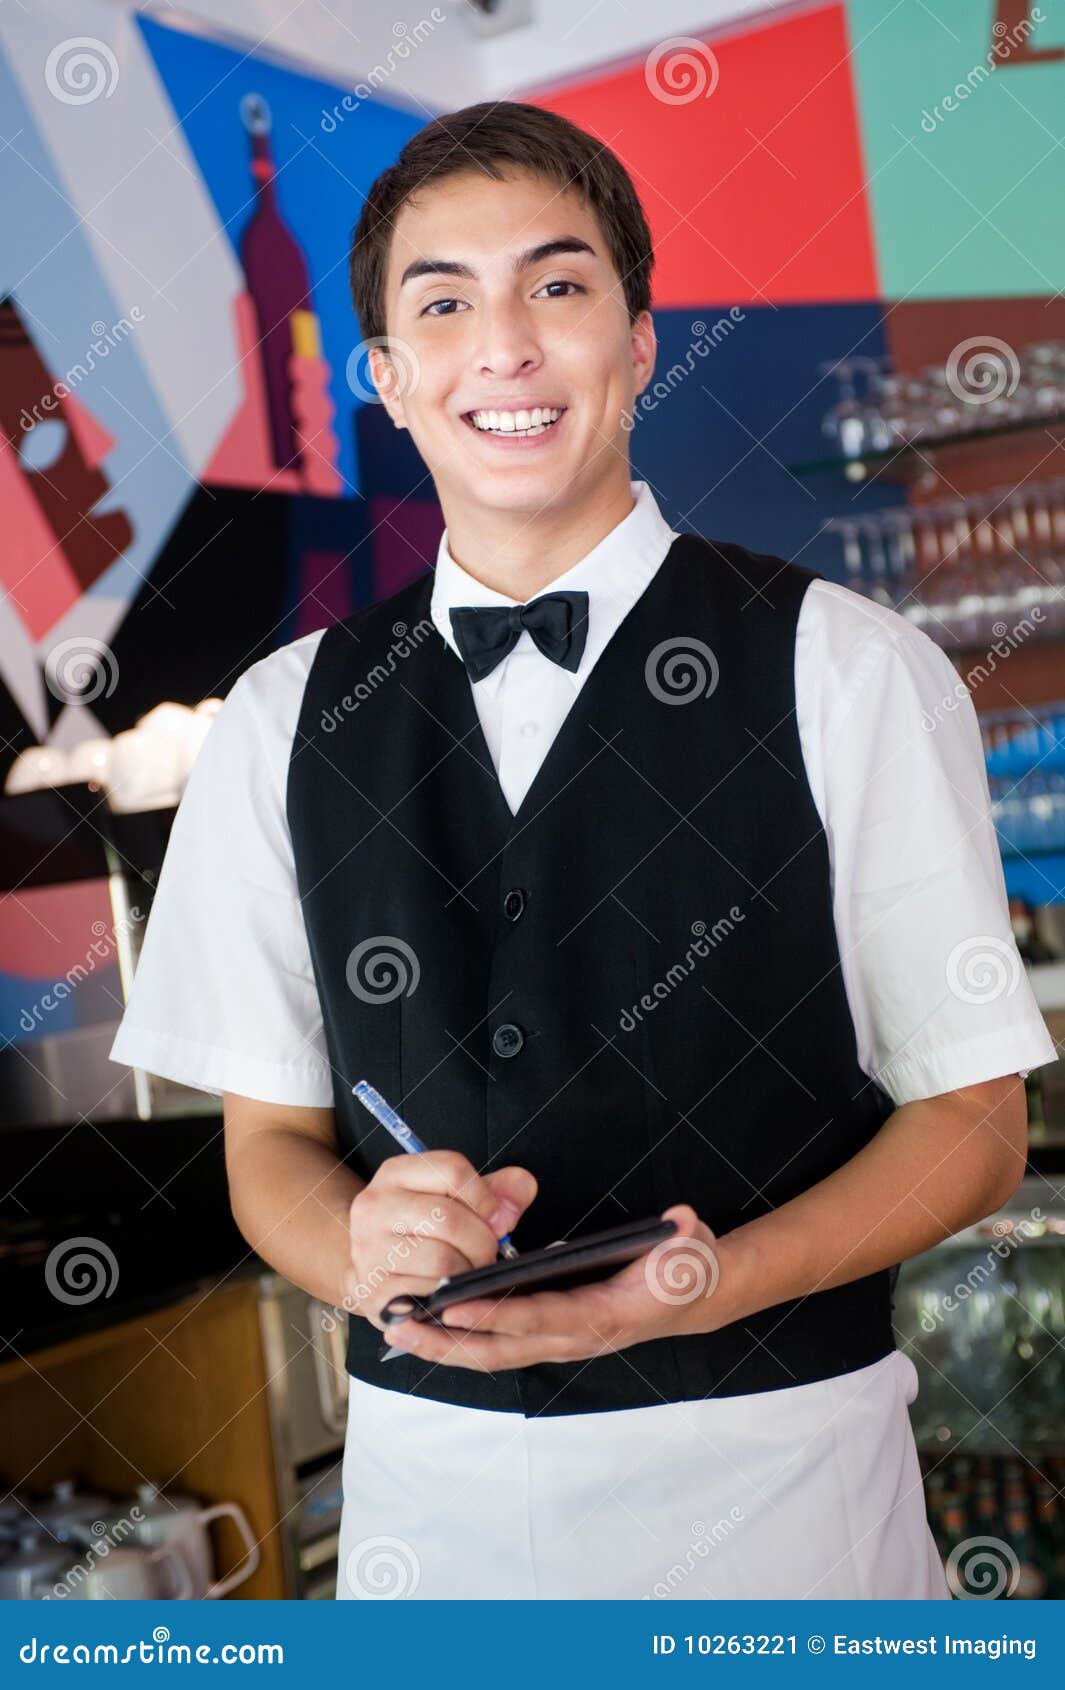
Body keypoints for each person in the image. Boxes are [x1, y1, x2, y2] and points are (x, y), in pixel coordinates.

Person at [110, 101, 1058, 1601]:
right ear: (387, 380)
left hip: (784, 1499)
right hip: (434, 1514)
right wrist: (356, 1242)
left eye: (557, 286)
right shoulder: (277, 720)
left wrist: (702, 1283)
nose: (504, 345)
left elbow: (972, 1123)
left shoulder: (848, 667)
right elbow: (265, 1153)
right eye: (443, 303)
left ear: (635, 337)